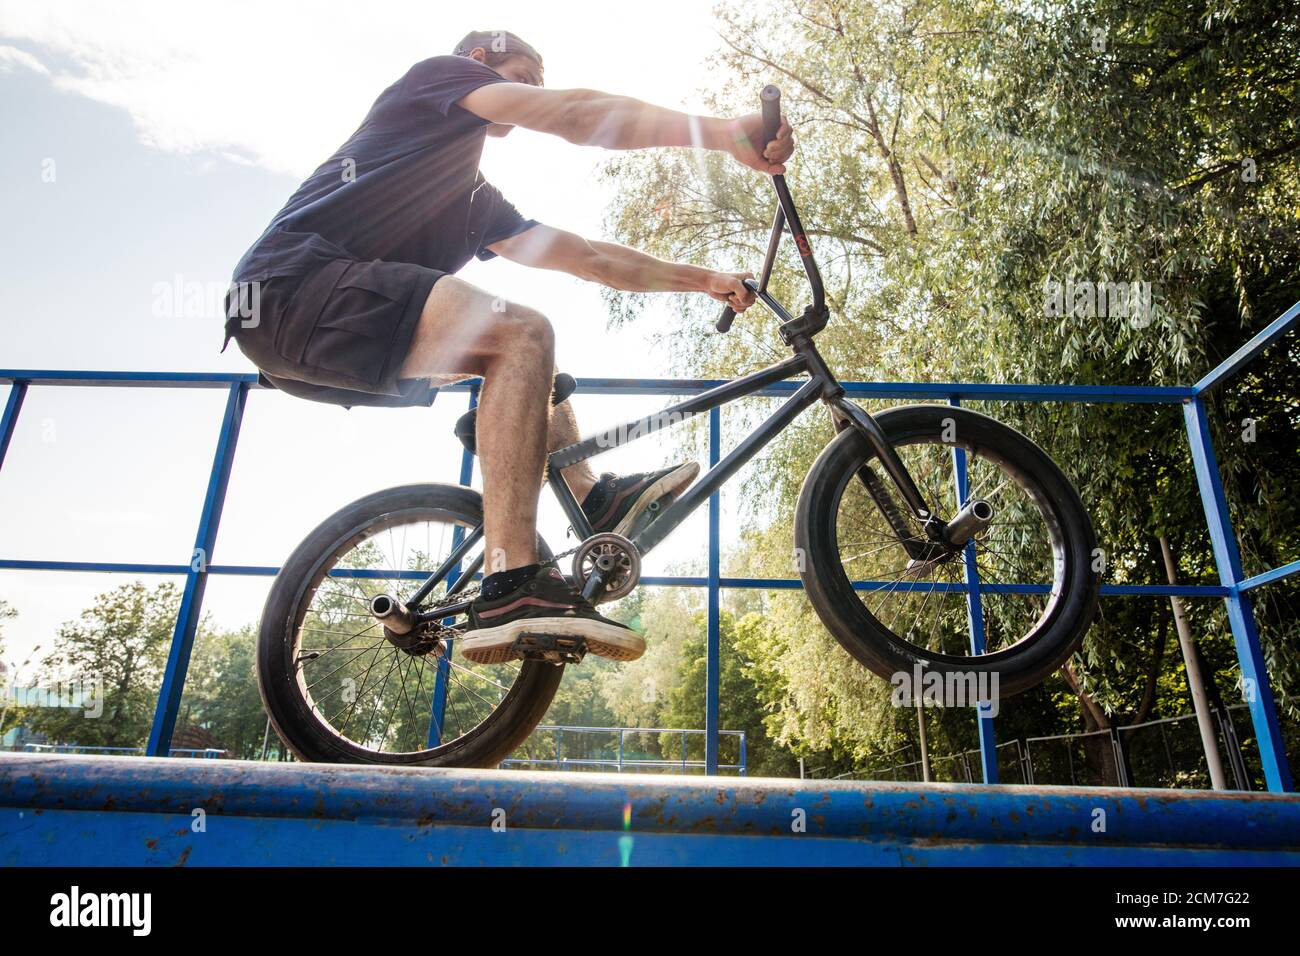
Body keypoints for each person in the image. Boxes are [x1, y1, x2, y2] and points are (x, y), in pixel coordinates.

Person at [224, 30, 794, 666]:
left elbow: (590, 258)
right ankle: (512, 584)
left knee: (532, 365)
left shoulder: (472, 202)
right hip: (292, 288)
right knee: (521, 333)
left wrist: (706, 280)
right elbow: (577, 116)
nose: (533, 95)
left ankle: (592, 496)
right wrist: (720, 133)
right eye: (523, 77)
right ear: (478, 63)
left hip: (330, 327)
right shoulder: (434, 78)